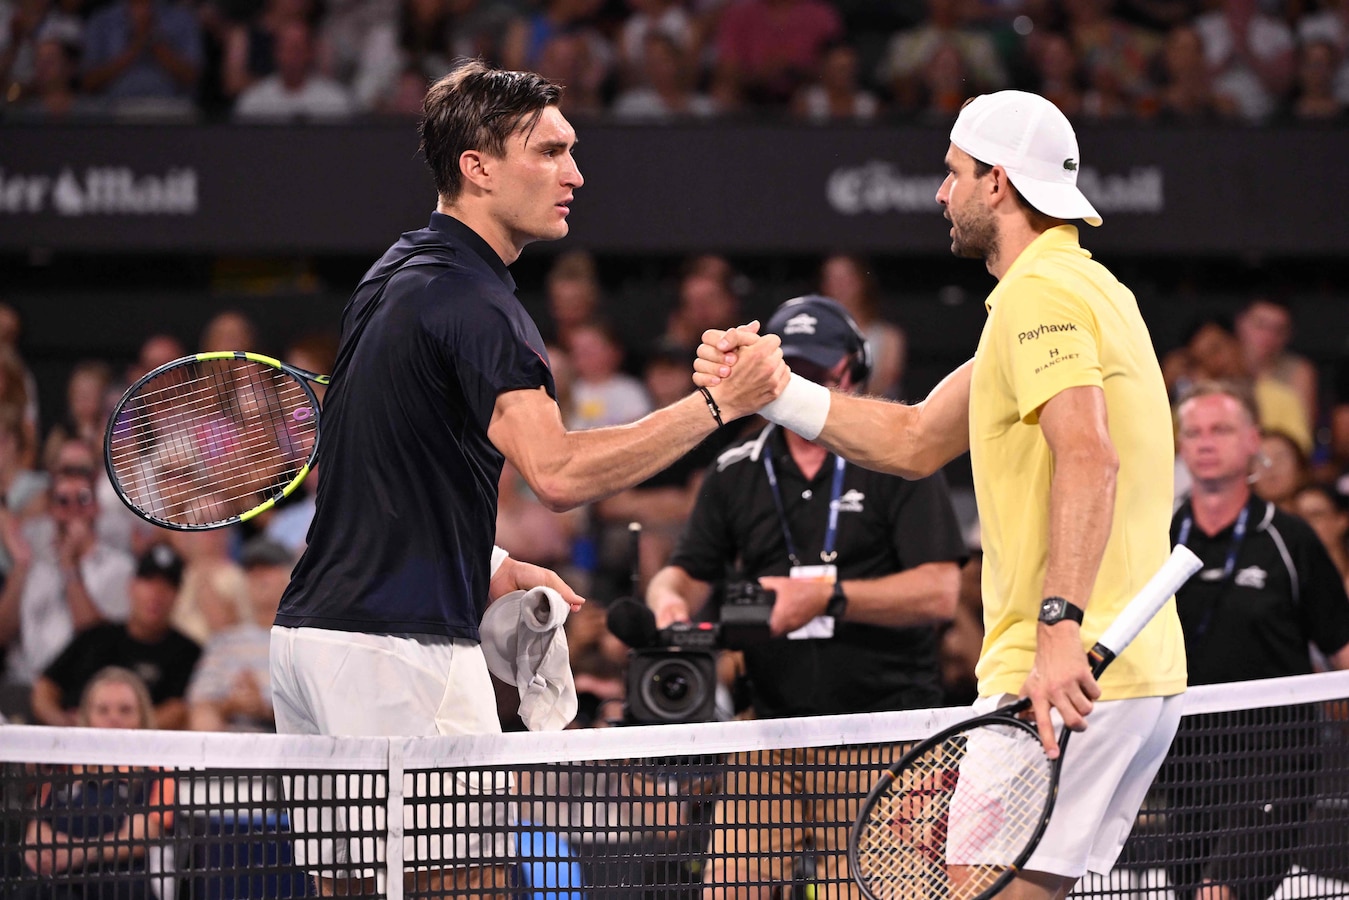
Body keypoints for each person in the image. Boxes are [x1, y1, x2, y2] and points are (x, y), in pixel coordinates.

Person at [268, 59, 787, 898]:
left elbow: (386, 470)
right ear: (477, 167)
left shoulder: (393, 274)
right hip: (399, 655)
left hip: (312, 640)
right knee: (468, 885)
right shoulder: (477, 305)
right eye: (548, 152)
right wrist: (718, 405)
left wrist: (489, 564)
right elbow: (558, 473)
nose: (573, 174)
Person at [696, 90, 1187, 899]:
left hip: (1066, 663)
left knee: (973, 889)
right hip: (1127, 667)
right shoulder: (1082, 288)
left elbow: (1088, 456)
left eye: (953, 172)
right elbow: (915, 437)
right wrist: (774, 392)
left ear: (997, 182)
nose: (939, 192)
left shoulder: (1039, 295)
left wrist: (1057, 629)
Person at [647, 294, 966, 898]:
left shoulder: (899, 458)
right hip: (769, 733)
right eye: (790, 369)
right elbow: (683, 574)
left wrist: (824, 597)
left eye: (818, 370)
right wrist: (669, 604)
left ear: (854, 369)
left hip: (885, 736)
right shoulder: (736, 469)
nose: (801, 384)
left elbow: (940, 592)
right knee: (726, 890)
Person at [1167, 379, 1349, 900]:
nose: (1206, 442)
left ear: (1253, 441)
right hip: (1185, 758)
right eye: (1194, 432)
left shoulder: (1290, 539)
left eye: (1221, 429)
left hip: (1275, 754)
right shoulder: (1159, 537)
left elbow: (1341, 647)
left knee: (1218, 893)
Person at [16, 666, 174, 900]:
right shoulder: (63, 768)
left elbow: (139, 838)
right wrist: (38, 850)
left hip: (125, 887)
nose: (114, 718)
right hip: (58, 885)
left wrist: (78, 853)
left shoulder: (157, 773)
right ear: (86, 716)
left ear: (142, 715)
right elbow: (37, 827)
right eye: (103, 710)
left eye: (125, 710)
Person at [31, 542, 200, 729]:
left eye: (167, 586)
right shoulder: (94, 636)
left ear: (178, 595)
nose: (156, 594)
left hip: (142, 744)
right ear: (131, 586)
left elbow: (179, 710)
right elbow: (46, 686)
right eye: (148, 581)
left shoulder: (188, 653)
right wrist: (63, 724)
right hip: (71, 738)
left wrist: (116, 728)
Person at [187, 537, 292, 732]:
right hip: (230, 741)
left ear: (289, 576)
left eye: (268, 568)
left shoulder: (299, 641)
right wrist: (230, 706)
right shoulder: (225, 640)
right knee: (202, 716)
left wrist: (264, 709)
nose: (258, 576)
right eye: (251, 571)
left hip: (286, 744)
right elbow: (200, 702)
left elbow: (312, 712)